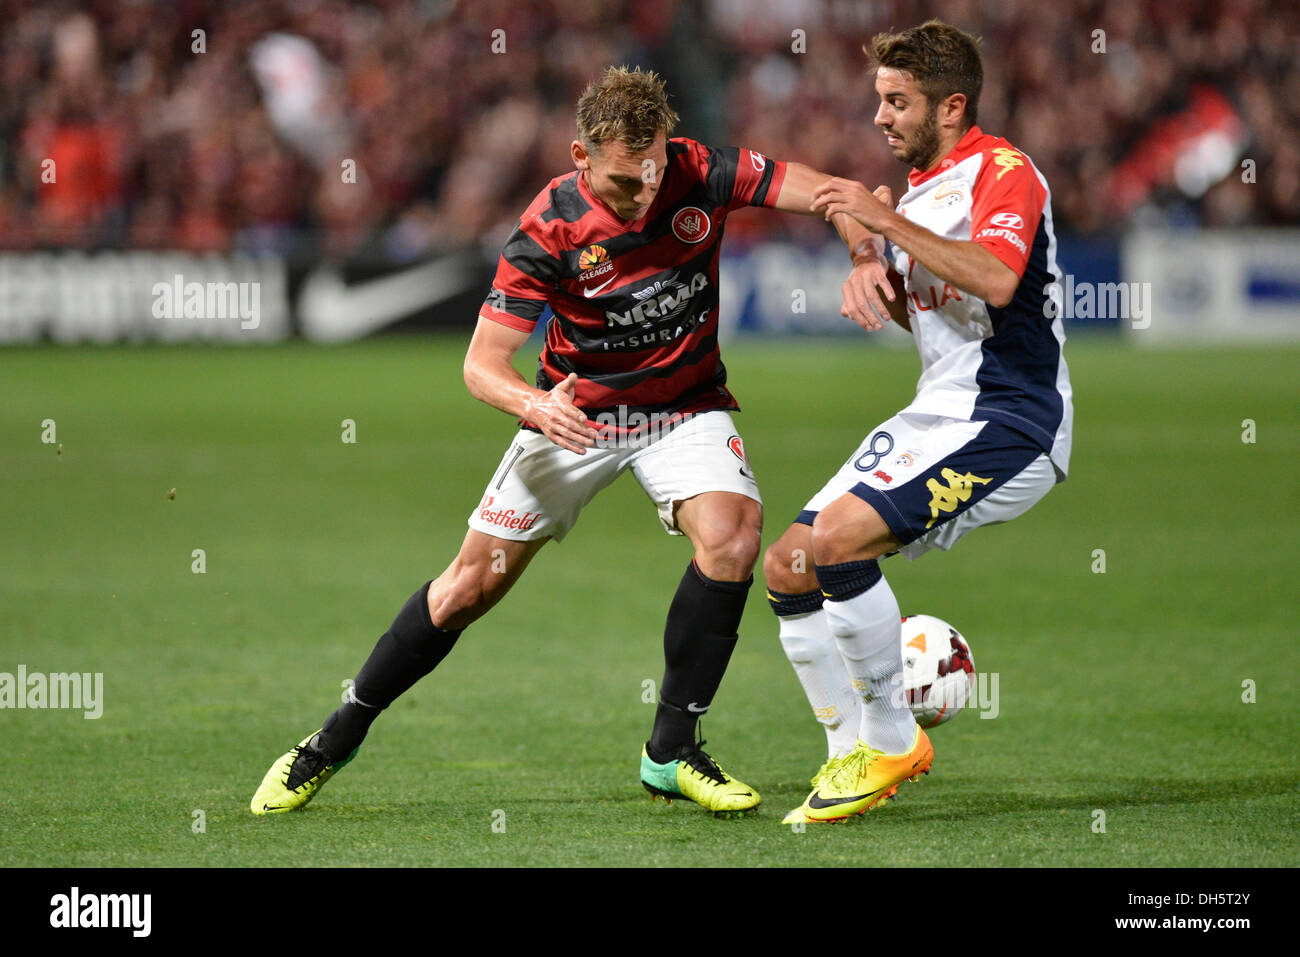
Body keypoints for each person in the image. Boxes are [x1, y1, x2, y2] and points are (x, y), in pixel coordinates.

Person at [251, 66, 894, 818]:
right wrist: (534, 405)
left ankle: (672, 749)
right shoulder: (548, 227)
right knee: (468, 589)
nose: (646, 192)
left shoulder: (703, 170)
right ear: (580, 156)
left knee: (733, 540)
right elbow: (480, 366)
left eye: (655, 170)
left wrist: (863, 255)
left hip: (684, 408)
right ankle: (331, 739)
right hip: (574, 413)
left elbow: (837, 194)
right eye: (626, 180)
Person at [763, 20, 1074, 823]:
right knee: (791, 563)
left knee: (837, 541)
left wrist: (885, 226)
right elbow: (908, 278)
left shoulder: (1002, 172)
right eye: (880, 99)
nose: (880, 117)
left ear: (951, 106)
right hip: (937, 407)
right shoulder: (921, 192)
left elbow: (999, 280)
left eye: (897, 101)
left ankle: (893, 738)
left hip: (1011, 415)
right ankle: (847, 755)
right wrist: (869, 265)